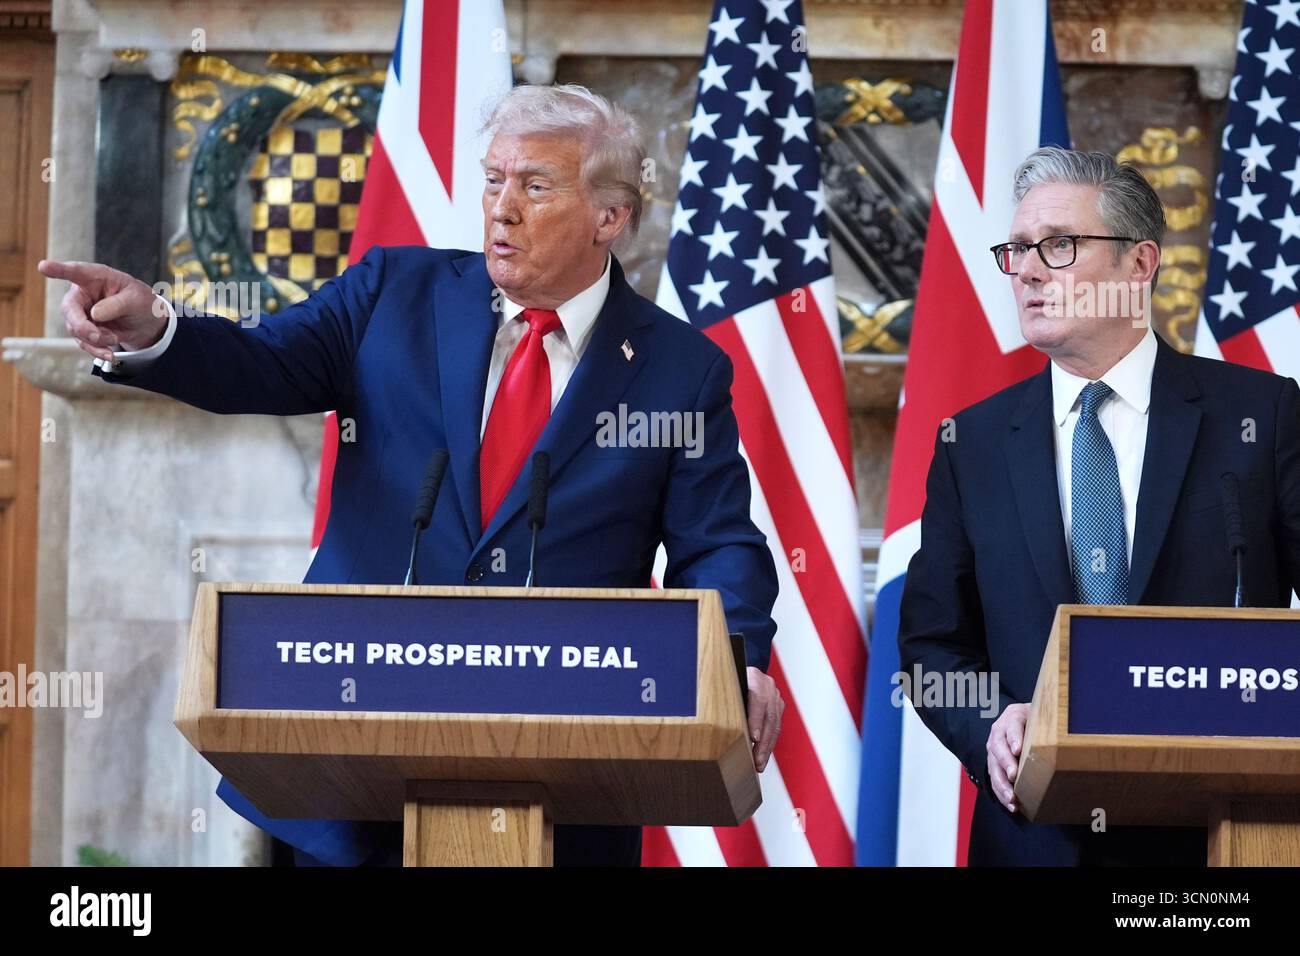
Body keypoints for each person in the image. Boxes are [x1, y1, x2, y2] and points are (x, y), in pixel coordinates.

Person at [39, 83, 784, 867]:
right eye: (494, 179)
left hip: (568, 783)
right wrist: (156, 328)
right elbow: (261, 364)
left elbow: (718, 543)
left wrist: (738, 658)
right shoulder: (391, 292)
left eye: (534, 186)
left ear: (611, 216)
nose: (501, 207)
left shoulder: (679, 370)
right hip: (349, 764)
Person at [898, 146, 1300, 866]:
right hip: (1033, 840)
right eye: (1017, 249)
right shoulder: (974, 441)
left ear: (1139, 265)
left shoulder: (1260, 416)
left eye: (1057, 246)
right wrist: (991, 724)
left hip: (1218, 837)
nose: (1025, 270)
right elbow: (932, 646)